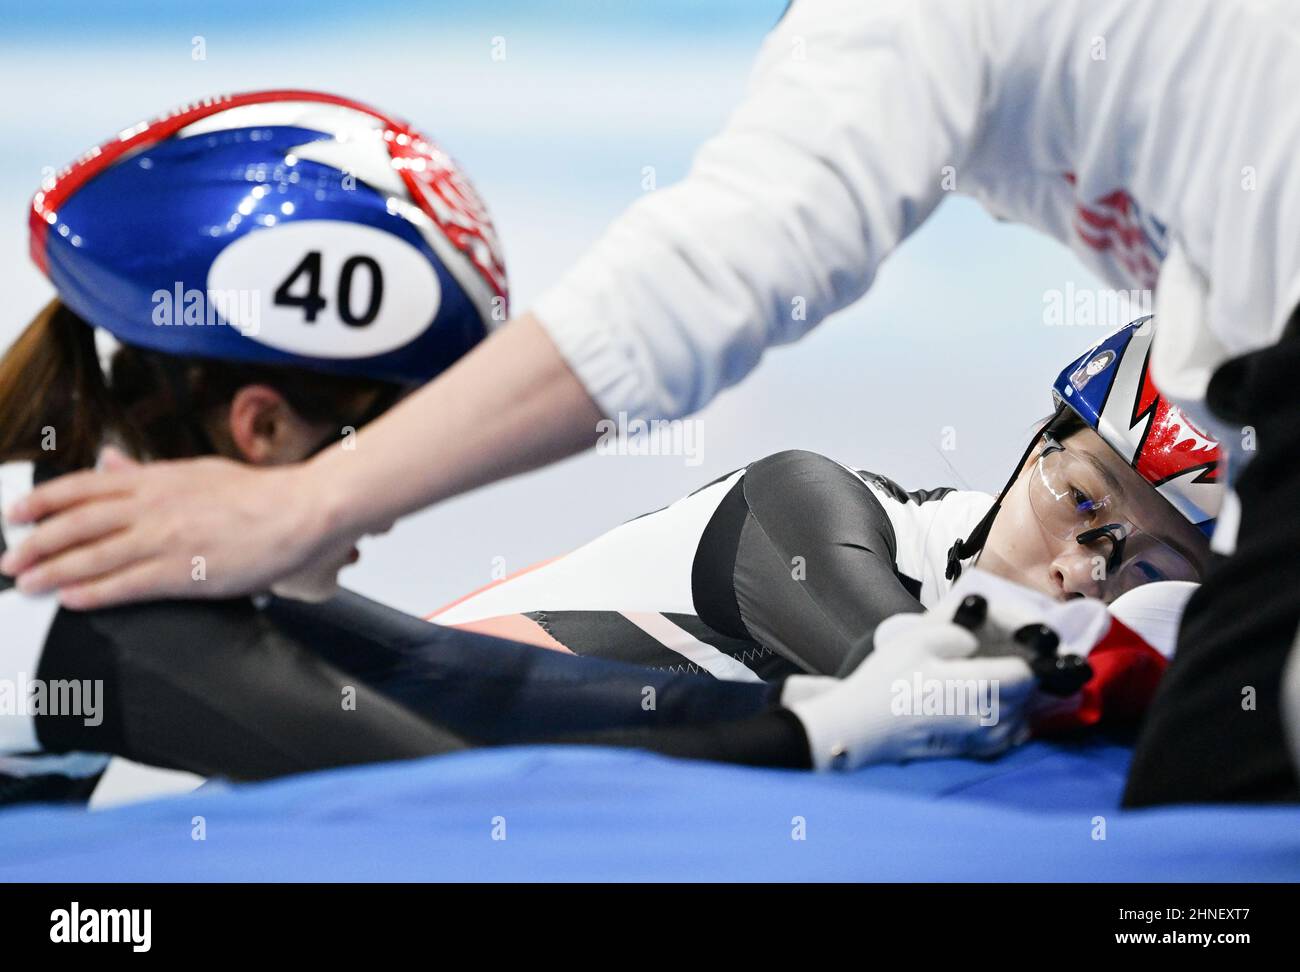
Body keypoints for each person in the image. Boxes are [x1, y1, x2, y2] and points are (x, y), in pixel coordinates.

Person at [7, 0, 1300, 805]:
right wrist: (814, 742)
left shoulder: (110, 581)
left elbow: (453, 683)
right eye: (380, 434)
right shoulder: (102, 616)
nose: (384, 503)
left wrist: (818, 717)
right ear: (258, 437)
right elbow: (465, 799)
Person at [435, 318, 1218, 683]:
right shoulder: (807, 509)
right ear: (1028, 455)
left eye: (1150, 573)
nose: (1085, 574)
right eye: (1080, 502)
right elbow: (918, 679)